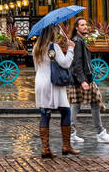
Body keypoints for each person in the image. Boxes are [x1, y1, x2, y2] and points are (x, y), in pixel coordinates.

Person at [68, 17, 109, 144]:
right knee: (92, 102)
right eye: (82, 25)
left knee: (77, 103)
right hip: (83, 79)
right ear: (77, 28)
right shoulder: (77, 41)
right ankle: (100, 133)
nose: (85, 27)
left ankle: (72, 132)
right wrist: (83, 81)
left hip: (83, 78)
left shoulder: (80, 40)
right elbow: (77, 63)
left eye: (85, 24)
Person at [33, 25, 77, 157]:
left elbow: (37, 67)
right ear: (51, 33)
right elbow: (65, 63)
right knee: (66, 111)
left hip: (40, 82)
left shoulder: (36, 47)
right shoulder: (53, 47)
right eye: (56, 32)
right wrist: (71, 49)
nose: (57, 34)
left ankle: (45, 149)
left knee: (45, 114)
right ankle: (66, 146)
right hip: (53, 83)